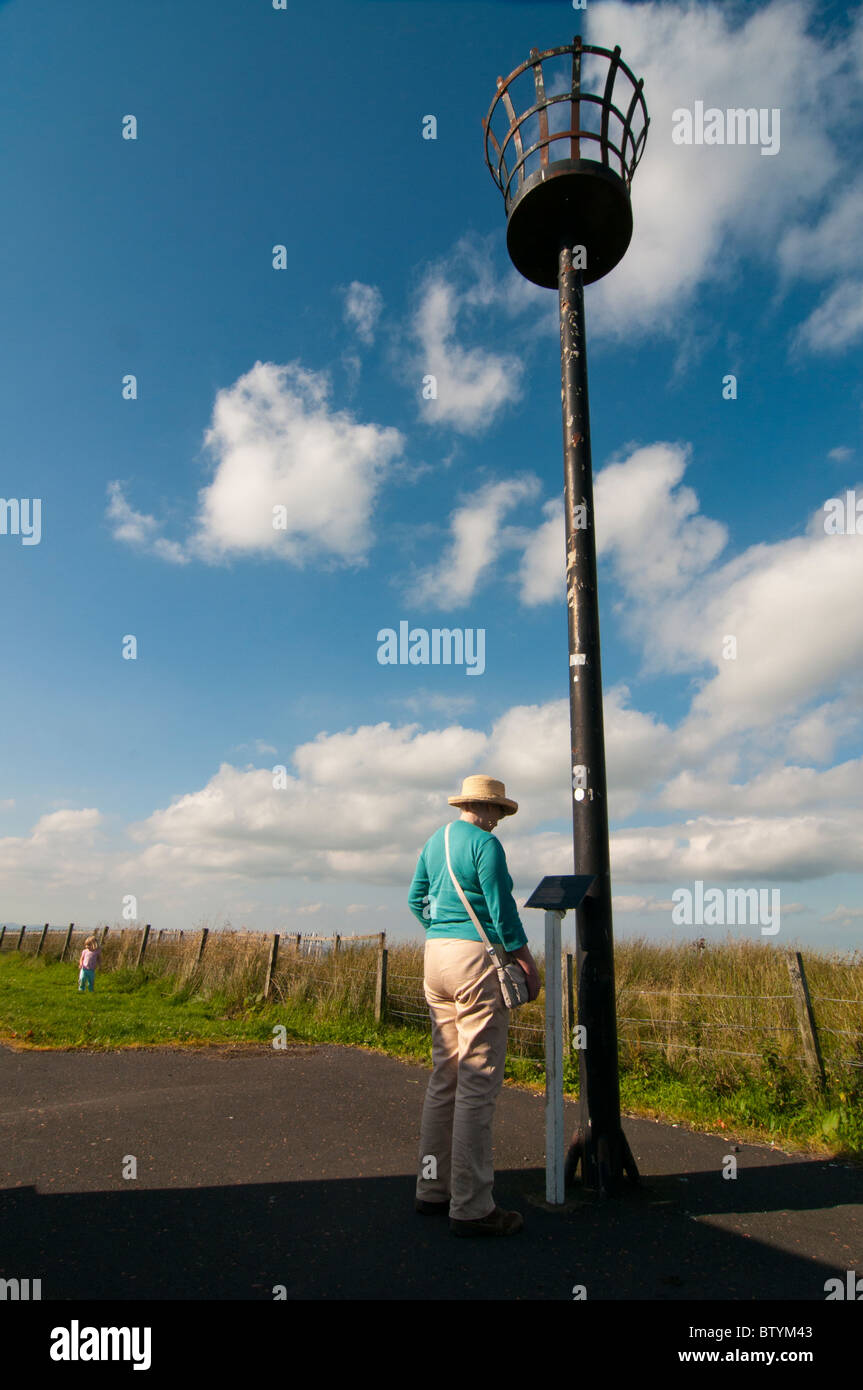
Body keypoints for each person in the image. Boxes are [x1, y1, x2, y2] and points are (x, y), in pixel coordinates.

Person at [408, 774, 541, 1237]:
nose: (500, 820)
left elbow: (414, 899)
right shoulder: (485, 845)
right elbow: (502, 908)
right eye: (499, 811)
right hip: (476, 960)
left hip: (435, 956)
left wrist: (440, 927)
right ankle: (471, 1207)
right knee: (477, 1080)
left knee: (444, 1074)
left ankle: (432, 1189)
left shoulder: (433, 841)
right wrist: (525, 960)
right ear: (485, 809)